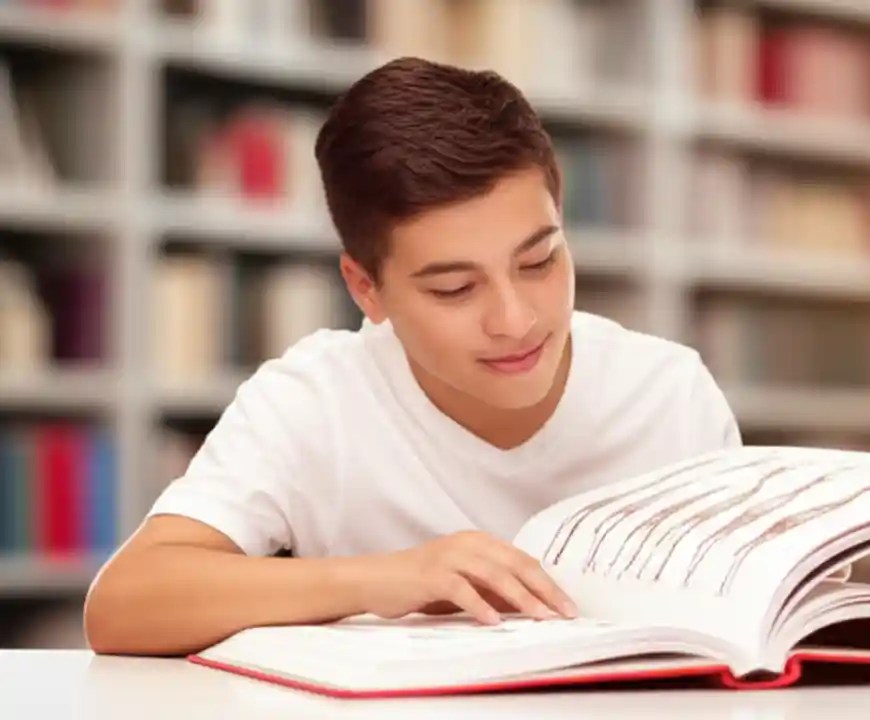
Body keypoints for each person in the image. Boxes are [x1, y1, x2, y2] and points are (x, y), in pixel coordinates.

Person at [83, 58, 741, 656]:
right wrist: (386, 577)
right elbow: (122, 606)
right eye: (455, 288)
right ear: (366, 288)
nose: (515, 320)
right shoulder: (314, 401)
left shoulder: (668, 395)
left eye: (539, 260)